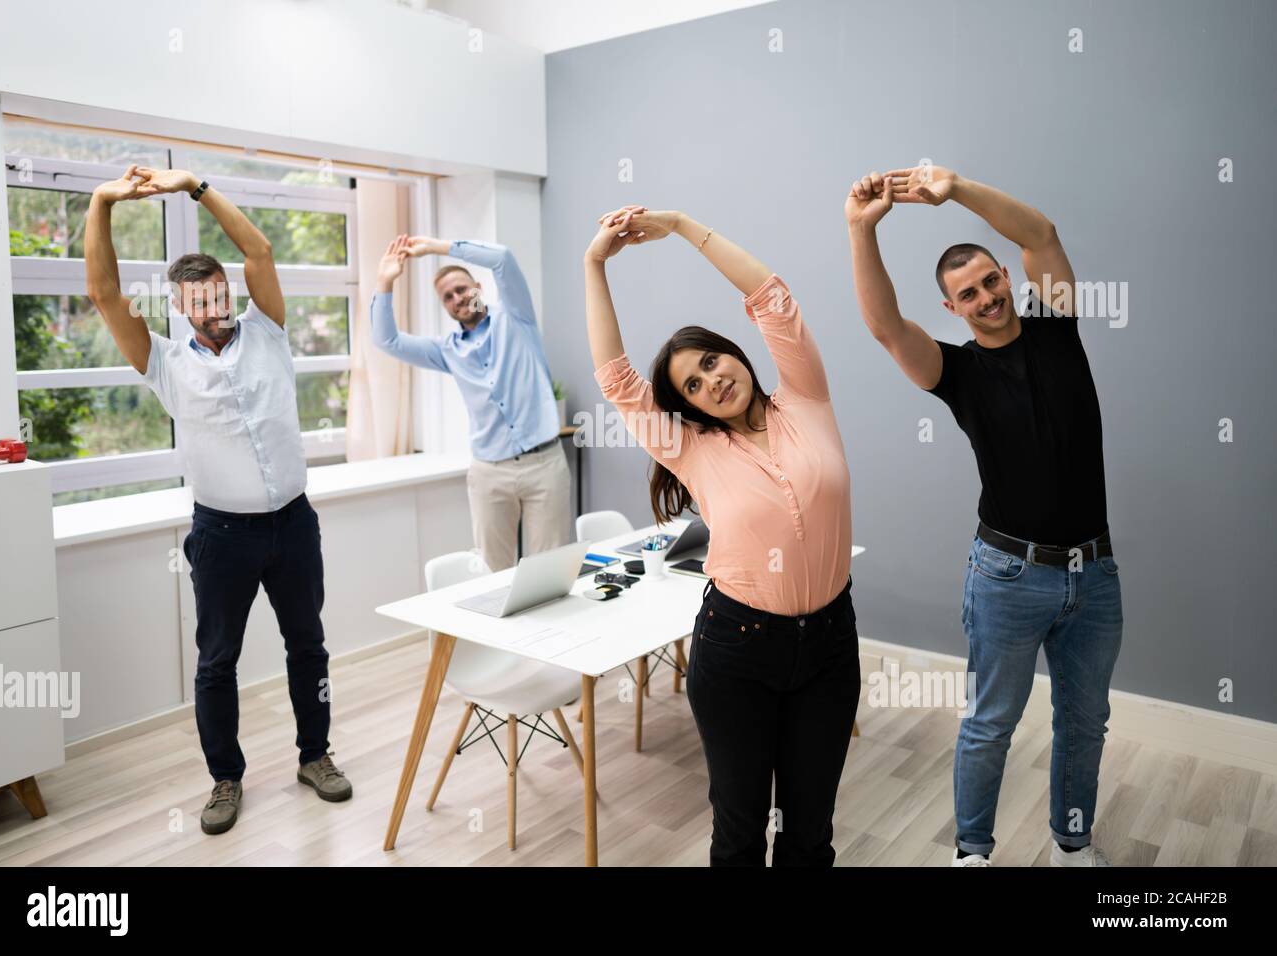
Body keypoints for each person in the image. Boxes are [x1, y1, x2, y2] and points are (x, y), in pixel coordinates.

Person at [846, 165, 1121, 867]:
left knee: (1085, 721)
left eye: (991, 282)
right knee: (992, 724)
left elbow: (1043, 233)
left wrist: (955, 188)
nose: (986, 298)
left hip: (1095, 573)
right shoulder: (955, 373)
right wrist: (862, 228)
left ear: (1006, 276)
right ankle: (971, 853)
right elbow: (882, 326)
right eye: (968, 294)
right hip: (1006, 576)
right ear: (953, 308)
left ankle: (1071, 842)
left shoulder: (1057, 328)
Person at [584, 204, 859, 866]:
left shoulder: (807, 400)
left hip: (828, 646)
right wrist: (595, 264)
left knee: (809, 834)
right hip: (737, 650)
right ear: (689, 405)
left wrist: (680, 226)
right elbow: (616, 380)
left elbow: (770, 295)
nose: (713, 381)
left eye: (712, 361)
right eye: (695, 385)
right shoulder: (689, 449)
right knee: (737, 836)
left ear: (734, 351)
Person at [85, 164, 351, 836]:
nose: (210, 308)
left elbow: (259, 249)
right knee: (216, 662)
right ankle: (225, 780)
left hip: (293, 523)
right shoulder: (164, 362)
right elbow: (103, 292)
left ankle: (315, 756)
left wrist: (194, 187)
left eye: (217, 295)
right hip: (222, 535)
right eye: (196, 301)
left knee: (308, 647)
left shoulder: (270, 330)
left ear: (228, 292)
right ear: (180, 305)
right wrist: (101, 201)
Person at [372, 235, 570, 572]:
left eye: (462, 289)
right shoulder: (446, 351)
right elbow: (386, 340)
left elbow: (503, 258)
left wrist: (435, 248)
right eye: (448, 297)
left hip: (544, 464)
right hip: (489, 473)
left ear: (478, 286)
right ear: (445, 306)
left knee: (548, 569)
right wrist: (385, 281)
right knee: (494, 573)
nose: (457, 298)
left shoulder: (516, 318)